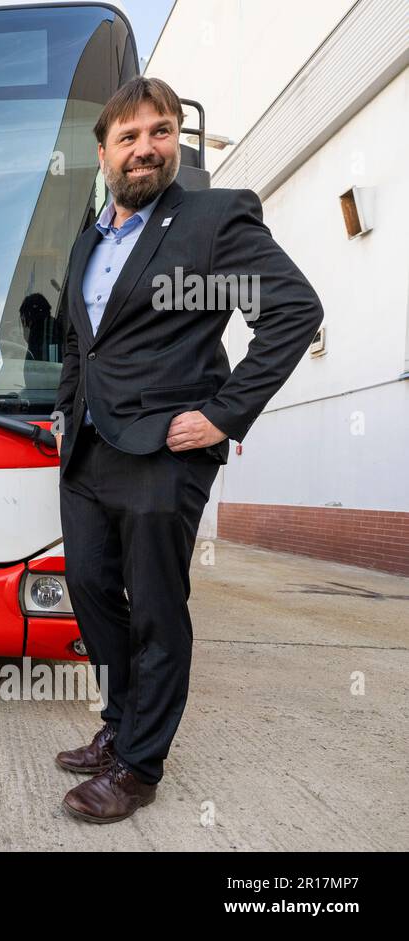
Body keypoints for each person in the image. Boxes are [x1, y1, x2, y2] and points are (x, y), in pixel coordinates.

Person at [52, 77, 323, 823]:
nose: (146, 148)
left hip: (165, 448)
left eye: (160, 131)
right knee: (92, 589)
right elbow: (83, 343)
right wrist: (62, 411)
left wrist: (224, 414)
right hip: (88, 450)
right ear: (103, 152)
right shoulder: (86, 242)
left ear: (179, 140)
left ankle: (140, 763)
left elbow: (293, 311)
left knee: (156, 606)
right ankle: (118, 723)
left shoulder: (213, 218)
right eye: (129, 136)